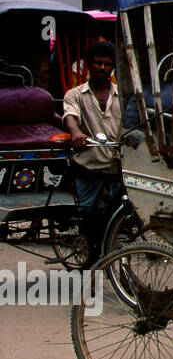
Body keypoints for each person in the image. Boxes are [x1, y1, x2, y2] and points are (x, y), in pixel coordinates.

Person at [62, 40, 122, 261]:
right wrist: (76, 133)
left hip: (115, 164)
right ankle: (89, 262)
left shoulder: (122, 96)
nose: (102, 68)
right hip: (87, 164)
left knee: (115, 214)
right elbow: (70, 116)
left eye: (107, 64)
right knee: (88, 214)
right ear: (89, 65)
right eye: (98, 63)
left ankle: (107, 251)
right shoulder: (75, 94)